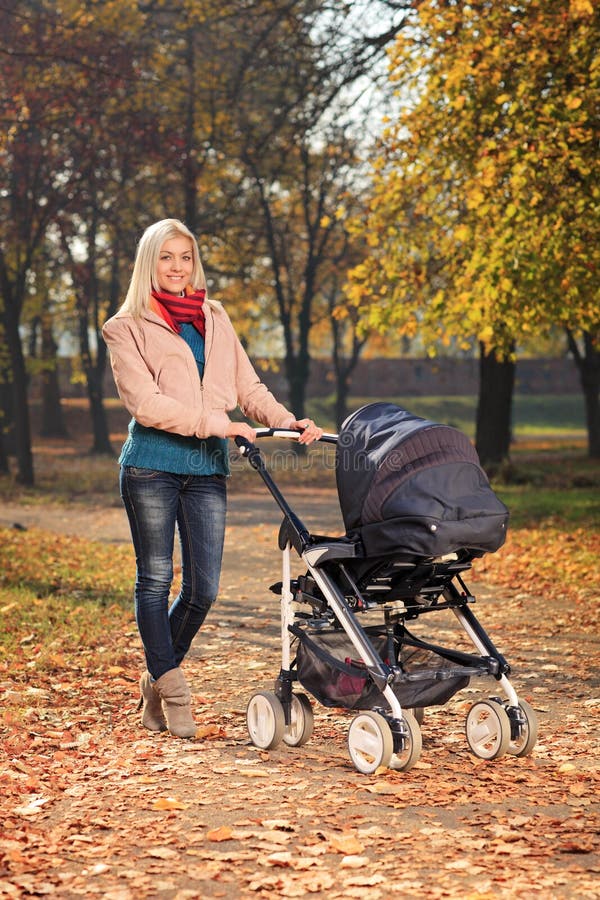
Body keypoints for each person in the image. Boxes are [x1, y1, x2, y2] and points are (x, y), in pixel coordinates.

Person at [102, 218, 322, 738]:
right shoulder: (125, 326)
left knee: (204, 588)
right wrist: (216, 425)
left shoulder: (215, 317)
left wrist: (286, 420)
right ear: (148, 263)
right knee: (156, 579)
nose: (178, 267)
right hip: (151, 465)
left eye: (185, 257)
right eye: (166, 257)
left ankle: (157, 674)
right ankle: (174, 691)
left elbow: (248, 385)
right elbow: (147, 404)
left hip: (206, 469)